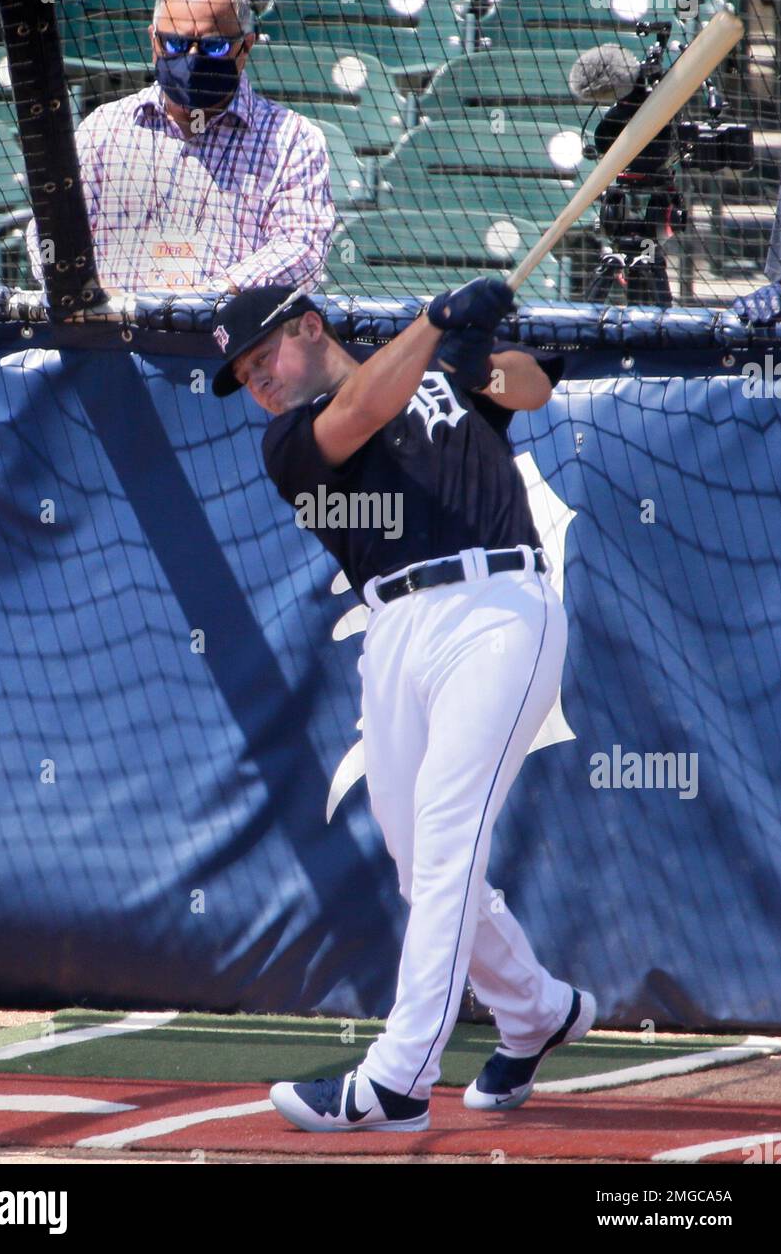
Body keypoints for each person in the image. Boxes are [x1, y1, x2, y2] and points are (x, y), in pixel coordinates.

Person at [209, 279, 596, 1134]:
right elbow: (359, 408)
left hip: (498, 608)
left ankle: (399, 1078)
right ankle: (536, 1009)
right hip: (393, 632)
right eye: (245, 373)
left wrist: (475, 361)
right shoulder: (289, 443)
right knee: (420, 860)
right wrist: (433, 324)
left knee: (450, 837)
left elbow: (529, 386)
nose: (259, 381)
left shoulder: (432, 368)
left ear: (311, 324)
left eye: (264, 356)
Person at [25, 0, 335, 295]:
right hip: (111, 332)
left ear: (245, 47)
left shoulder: (290, 138)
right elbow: (48, 229)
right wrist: (87, 290)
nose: (191, 57)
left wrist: (208, 299)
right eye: (175, 43)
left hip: (227, 337)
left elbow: (303, 247)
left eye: (213, 47)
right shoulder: (105, 128)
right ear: (153, 41)